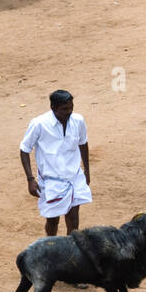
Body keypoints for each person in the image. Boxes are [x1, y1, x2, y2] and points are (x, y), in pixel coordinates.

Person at [20, 89, 91, 240]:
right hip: (51, 180)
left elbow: (83, 144)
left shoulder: (78, 121)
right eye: (64, 109)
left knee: (73, 219)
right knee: (53, 220)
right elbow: (24, 150)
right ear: (53, 108)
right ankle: (50, 244)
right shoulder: (39, 124)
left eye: (71, 107)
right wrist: (30, 179)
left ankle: (70, 251)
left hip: (74, 177)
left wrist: (87, 171)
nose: (69, 112)